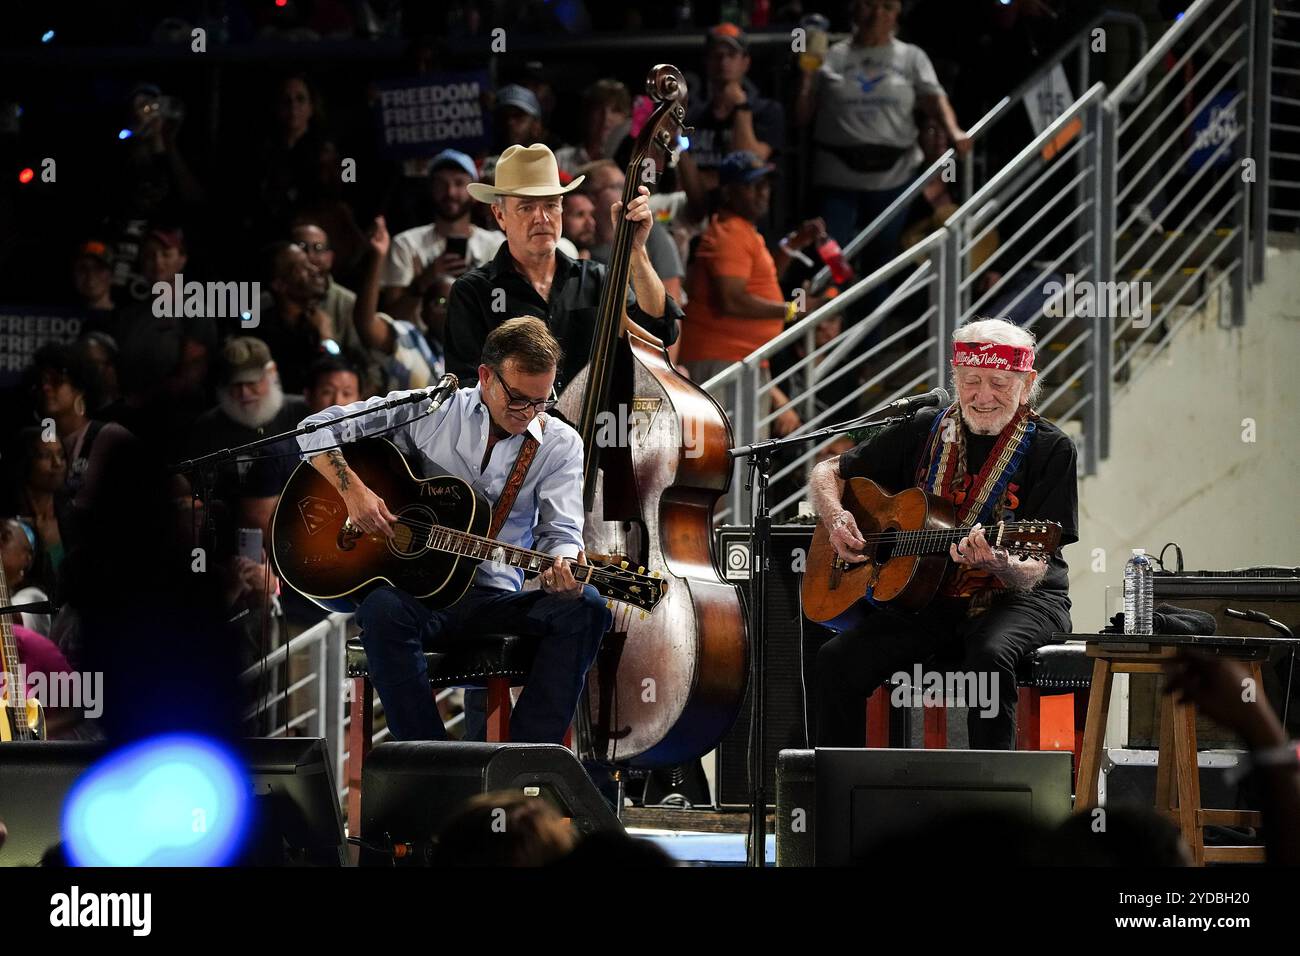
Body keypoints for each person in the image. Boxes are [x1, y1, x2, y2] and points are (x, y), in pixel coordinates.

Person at [296, 317, 610, 744]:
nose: (530, 413)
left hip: (493, 599)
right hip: (422, 597)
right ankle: (428, 760)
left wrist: (566, 567)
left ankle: (525, 761)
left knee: (587, 607)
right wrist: (354, 492)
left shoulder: (560, 443)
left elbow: (561, 533)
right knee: (381, 608)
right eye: (518, 398)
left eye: (543, 401)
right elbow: (315, 429)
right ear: (485, 375)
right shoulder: (431, 408)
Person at [808, 318, 1077, 750]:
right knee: (837, 659)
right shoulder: (923, 429)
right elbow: (829, 471)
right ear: (955, 379)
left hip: (1022, 598)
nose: (983, 396)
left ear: (1027, 385)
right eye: (971, 381)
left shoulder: (1051, 448)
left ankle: (989, 799)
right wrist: (837, 518)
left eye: (999, 383)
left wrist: (998, 561)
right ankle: (839, 799)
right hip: (928, 598)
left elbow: (1035, 569)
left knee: (990, 656)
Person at [445, 143, 680, 392]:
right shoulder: (472, 292)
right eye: (527, 207)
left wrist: (637, 252)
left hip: (599, 429)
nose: (542, 218)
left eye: (550, 205)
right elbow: (467, 388)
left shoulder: (597, 279)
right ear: (499, 215)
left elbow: (659, 332)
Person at [794, 0, 970, 252]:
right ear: (854, 9)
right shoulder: (831, 57)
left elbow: (934, 98)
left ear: (897, 14)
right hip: (837, 177)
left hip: (894, 177)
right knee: (830, 261)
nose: (877, 15)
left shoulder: (912, 57)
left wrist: (954, 130)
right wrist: (807, 73)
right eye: (869, 5)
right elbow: (801, 117)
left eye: (887, 7)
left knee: (884, 262)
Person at [676, 151, 824, 436]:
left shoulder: (743, 231)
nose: (762, 193)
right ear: (729, 192)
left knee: (743, 458)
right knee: (731, 458)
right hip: (723, 361)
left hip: (739, 359)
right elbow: (731, 300)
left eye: (766, 185)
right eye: (752, 185)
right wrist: (791, 310)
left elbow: (760, 281)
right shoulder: (729, 233)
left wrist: (794, 243)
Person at [380, 149, 504, 328]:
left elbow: (505, 312)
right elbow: (391, 321)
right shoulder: (406, 244)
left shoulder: (495, 244)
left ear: (475, 192)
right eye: (441, 184)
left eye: (459, 183)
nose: (450, 192)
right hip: (419, 350)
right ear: (430, 189)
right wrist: (424, 280)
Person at [677, 23, 785, 222]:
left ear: (745, 62)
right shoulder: (693, 118)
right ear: (707, 62)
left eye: (731, 55)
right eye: (717, 55)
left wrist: (741, 108)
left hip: (749, 222)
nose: (723, 62)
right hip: (702, 219)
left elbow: (749, 164)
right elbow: (686, 182)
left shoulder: (767, 112)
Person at [258, 240, 369, 393]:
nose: (315, 269)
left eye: (309, 263)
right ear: (279, 285)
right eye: (301, 267)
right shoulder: (264, 332)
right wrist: (327, 338)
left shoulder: (315, 320)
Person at [553, 79, 632, 175]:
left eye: (615, 110)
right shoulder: (561, 159)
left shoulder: (629, 166)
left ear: (625, 118)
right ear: (587, 113)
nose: (606, 117)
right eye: (599, 109)